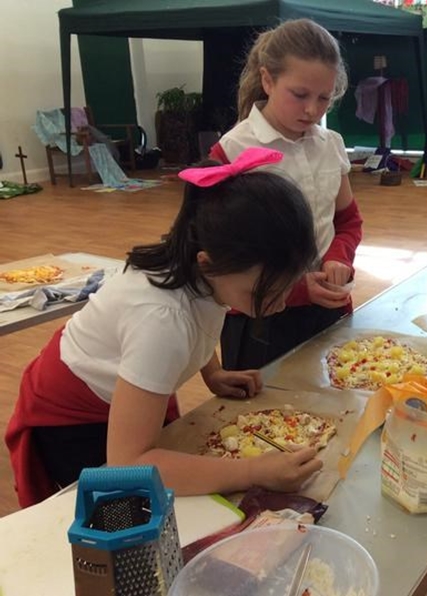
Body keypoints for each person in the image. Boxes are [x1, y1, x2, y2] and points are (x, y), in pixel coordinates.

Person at [5, 148, 325, 508]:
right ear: (207, 264)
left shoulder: (197, 267)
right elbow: (127, 464)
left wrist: (213, 372)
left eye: (287, 288)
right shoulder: (161, 320)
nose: (280, 304)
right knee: (120, 514)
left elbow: (204, 310)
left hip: (121, 390)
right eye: (263, 293)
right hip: (73, 419)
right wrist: (253, 471)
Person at [209, 18, 363, 371]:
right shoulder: (232, 151)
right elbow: (221, 259)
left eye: (324, 97)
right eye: (299, 95)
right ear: (267, 79)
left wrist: (338, 259)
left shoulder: (331, 144)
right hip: (259, 319)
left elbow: (347, 220)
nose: (312, 110)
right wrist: (295, 289)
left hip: (328, 308)